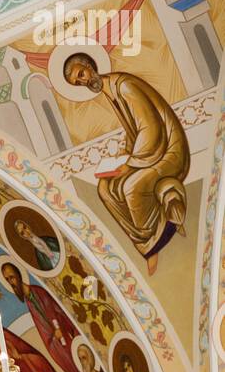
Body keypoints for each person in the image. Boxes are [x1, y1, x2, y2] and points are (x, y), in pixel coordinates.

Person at [64, 52, 190, 275]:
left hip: (169, 151)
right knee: (105, 189)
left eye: (81, 74)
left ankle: (158, 239)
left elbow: (150, 129)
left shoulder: (124, 86)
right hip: (149, 153)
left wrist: (130, 164)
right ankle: (145, 241)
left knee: (132, 187)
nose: (83, 81)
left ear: (90, 65)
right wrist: (123, 157)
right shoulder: (110, 90)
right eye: (78, 82)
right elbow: (134, 132)